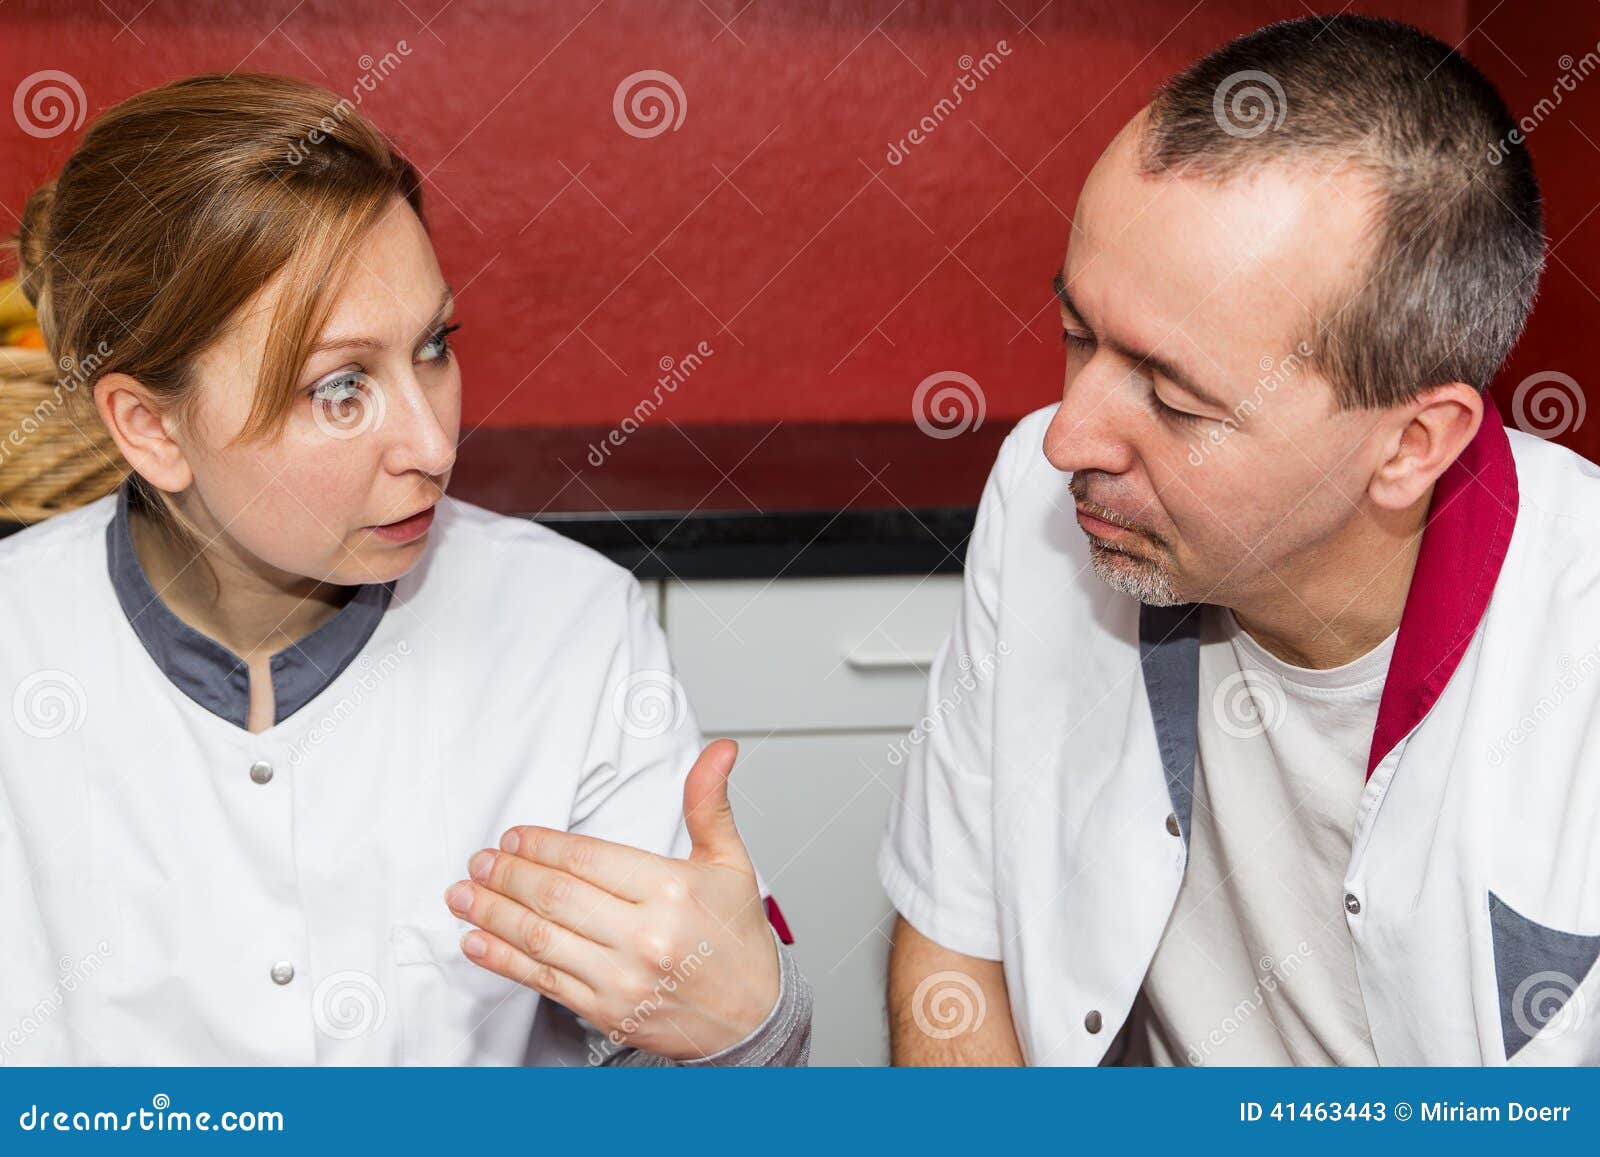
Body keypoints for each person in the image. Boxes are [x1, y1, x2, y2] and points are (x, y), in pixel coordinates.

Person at [0, 72, 809, 1066]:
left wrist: (745, 1031)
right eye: (339, 387)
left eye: (433, 347)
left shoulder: (570, 626)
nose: (431, 442)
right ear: (151, 426)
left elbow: (662, 1079)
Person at [881, 14, 1600, 1066]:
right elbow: (957, 950)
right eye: (1078, 333)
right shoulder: (1049, 505)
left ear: (1410, 443)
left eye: (1172, 397)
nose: (1068, 435)